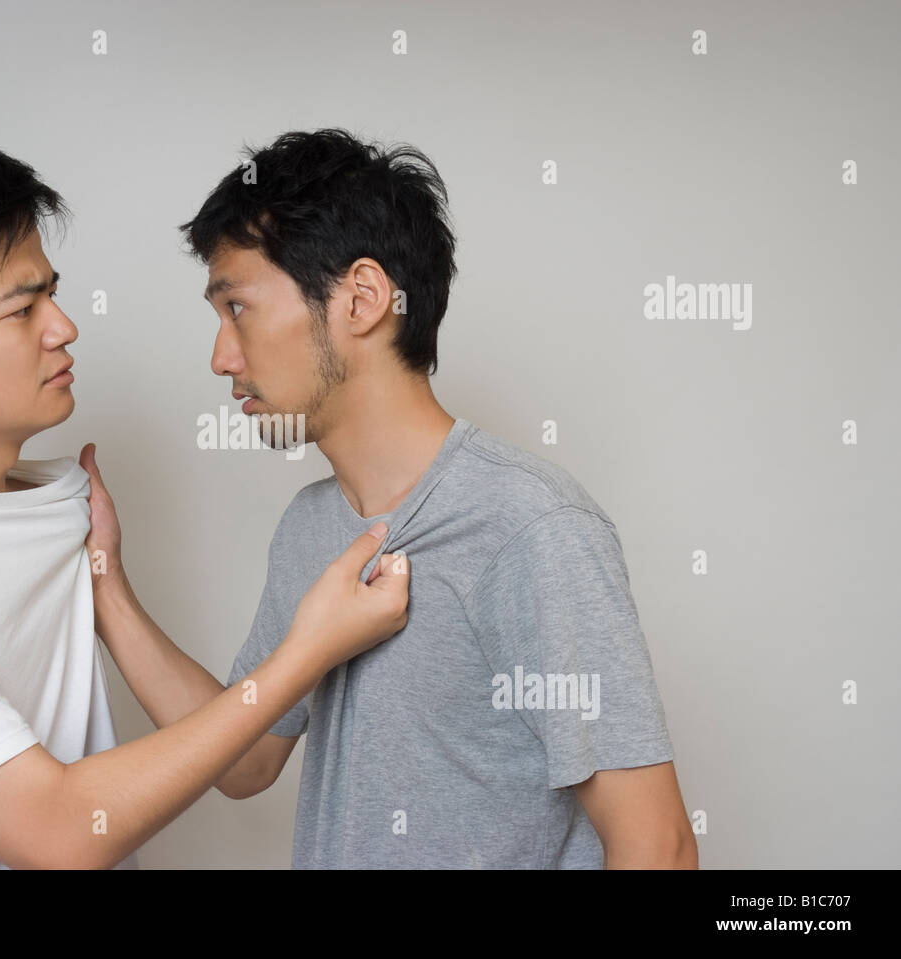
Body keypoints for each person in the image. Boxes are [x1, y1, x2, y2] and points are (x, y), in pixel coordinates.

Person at [0, 112, 410, 869]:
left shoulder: (64, 502)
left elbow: (245, 760)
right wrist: (309, 650)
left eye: (53, 296)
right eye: (22, 308)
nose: (64, 327)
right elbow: (61, 830)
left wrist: (107, 583)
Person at [82, 128, 698, 868]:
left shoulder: (531, 528)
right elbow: (246, 761)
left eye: (237, 307)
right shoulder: (311, 525)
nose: (221, 358)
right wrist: (104, 580)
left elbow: (656, 846)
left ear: (363, 298)